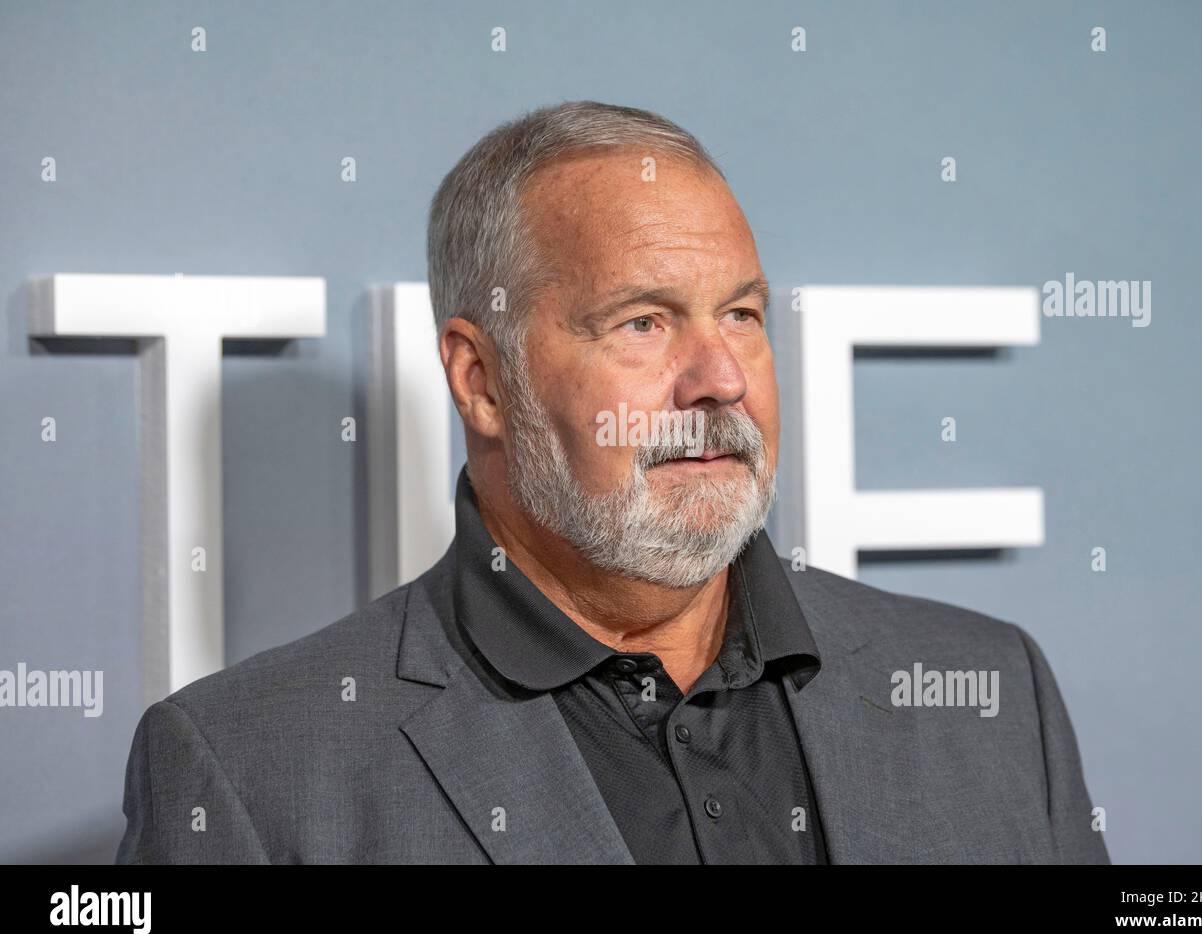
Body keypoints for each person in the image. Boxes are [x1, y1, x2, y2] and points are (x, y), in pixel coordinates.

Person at [116, 100, 1109, 864]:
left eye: (742, 315)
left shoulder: (989, 692)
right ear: (484, 381)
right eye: (642, 321)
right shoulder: (254, 772)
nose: (720, 377)